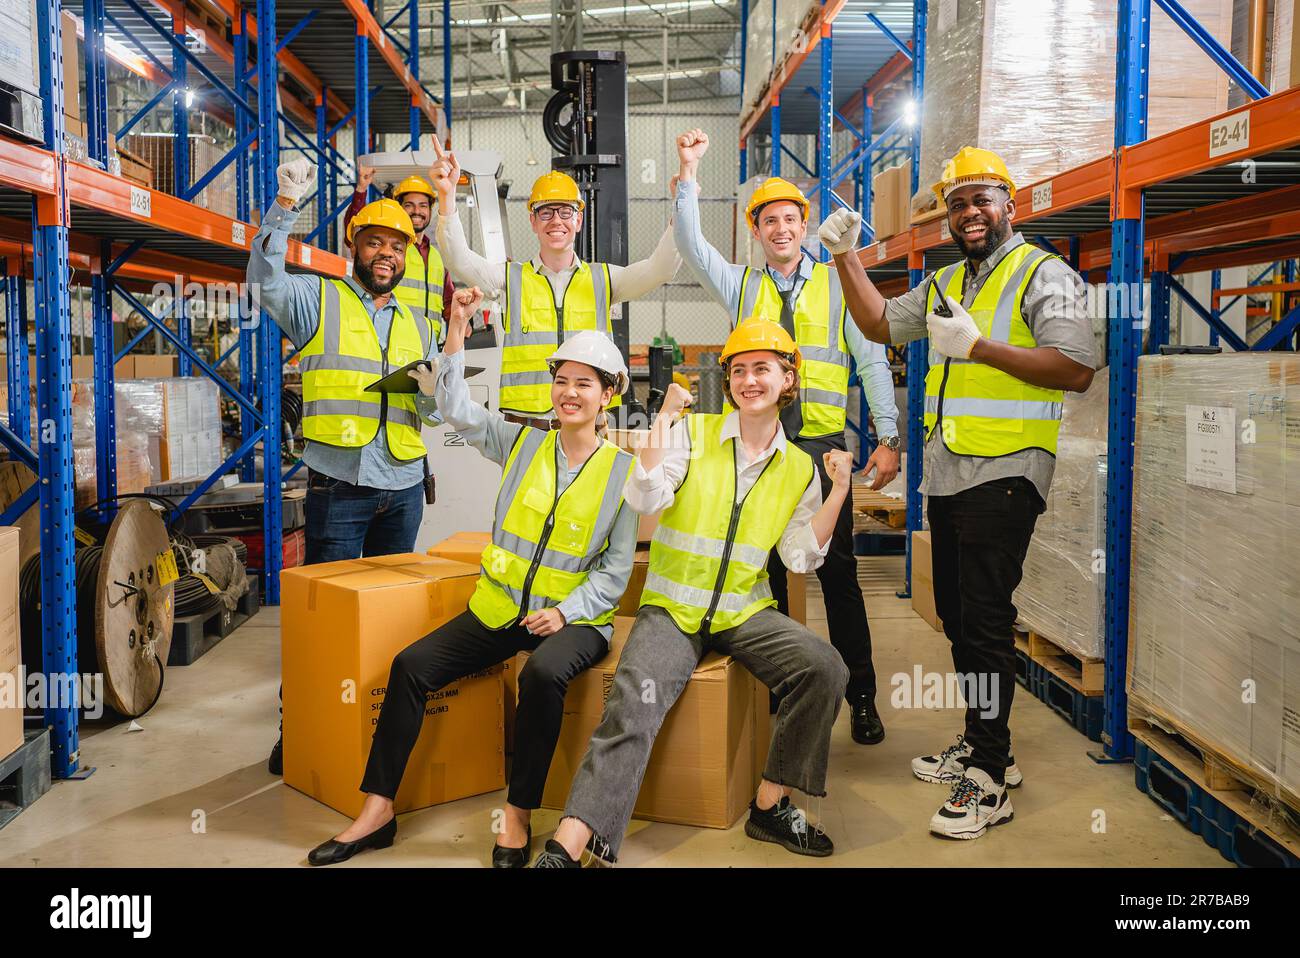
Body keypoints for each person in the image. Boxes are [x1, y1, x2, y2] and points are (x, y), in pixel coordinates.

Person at [819, 146, 1096, 840]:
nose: (969, 213)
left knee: (986, 617)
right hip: (949, 473)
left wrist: (979, 349)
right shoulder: (950, 282)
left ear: (1010, 205)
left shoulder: (1045, 273)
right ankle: (981, 744)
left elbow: (1076, 367)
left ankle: (990, 778)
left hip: (1007, 474)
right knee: (954, 614)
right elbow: (881, 324)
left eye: (982, 200)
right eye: (957, 203)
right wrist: (846, 257)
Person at [307, 289, 638, 867]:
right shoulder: (524, 444)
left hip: (575, 620)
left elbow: (614, 573)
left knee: (541, 675)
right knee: (410, 667)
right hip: (501, 609)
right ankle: (377, 809)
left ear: (608, 395)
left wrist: (565, 612)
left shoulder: (624, 474)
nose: (570, 393)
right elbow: (459, 409)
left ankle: (517, 815)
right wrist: (456, 330)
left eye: (586, 384)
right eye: (563, 380)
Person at [532, 320, 852, 867]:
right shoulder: (693, 433)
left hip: (743, 612)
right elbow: (645, 493)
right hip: (673, 610)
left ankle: (770, 805)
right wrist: (662, 419)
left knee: (825, 668)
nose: (749, 380)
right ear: (727, 381)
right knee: (634, 701)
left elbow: (799, 555)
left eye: (762, 369)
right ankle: (575, 837)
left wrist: (840, 490)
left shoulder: (800, 467)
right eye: (739, 370)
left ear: (787, 379)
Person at [672, 127, 901, 746]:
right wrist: (689, 172)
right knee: (768, 575)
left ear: (804, 226)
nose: (780, 230)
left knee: (839, 577)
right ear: (756, 230)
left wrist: (889, 434)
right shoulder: (742, 287)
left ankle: (861, 697)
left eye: (790, 219)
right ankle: (780, 692)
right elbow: (692, 248)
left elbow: (873, 360)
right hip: (763, 450)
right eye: (768, 221)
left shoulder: (836, 284)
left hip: (824, 452)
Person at [248, 157, 443, 776]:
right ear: (353, 245)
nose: (386, 254)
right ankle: (301, 726)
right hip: (341, 488)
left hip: (405, 485)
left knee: (393, 620)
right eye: (374, 242)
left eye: (397, 246)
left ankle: (375, 729)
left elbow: (433, 407)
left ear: (408, 256)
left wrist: (438, 390)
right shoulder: (318, 301)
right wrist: (284, 207)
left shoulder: (419, 321)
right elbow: (263, 280)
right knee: (325, 623)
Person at [429, 143, 680, 425]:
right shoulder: (510, 278)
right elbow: (459, 259)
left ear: (579, 220)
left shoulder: (605, 280)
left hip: (588, 427)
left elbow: (662, 268)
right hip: (525, 426)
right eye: (546, 212)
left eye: (565, 212)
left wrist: (682, 205)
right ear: (533, 222)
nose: (556, 220)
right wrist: (447, 196)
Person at [347, 167, 454, 339]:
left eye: (423, 206)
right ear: (399, 209)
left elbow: (447, 299)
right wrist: (361, 191)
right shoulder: (391, 249)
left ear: (430, 211)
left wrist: (461, 322)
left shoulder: (435, 256)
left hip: (429, 343)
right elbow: (357, 231)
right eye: (409, 205)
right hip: (393, 338)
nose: (417, 211)